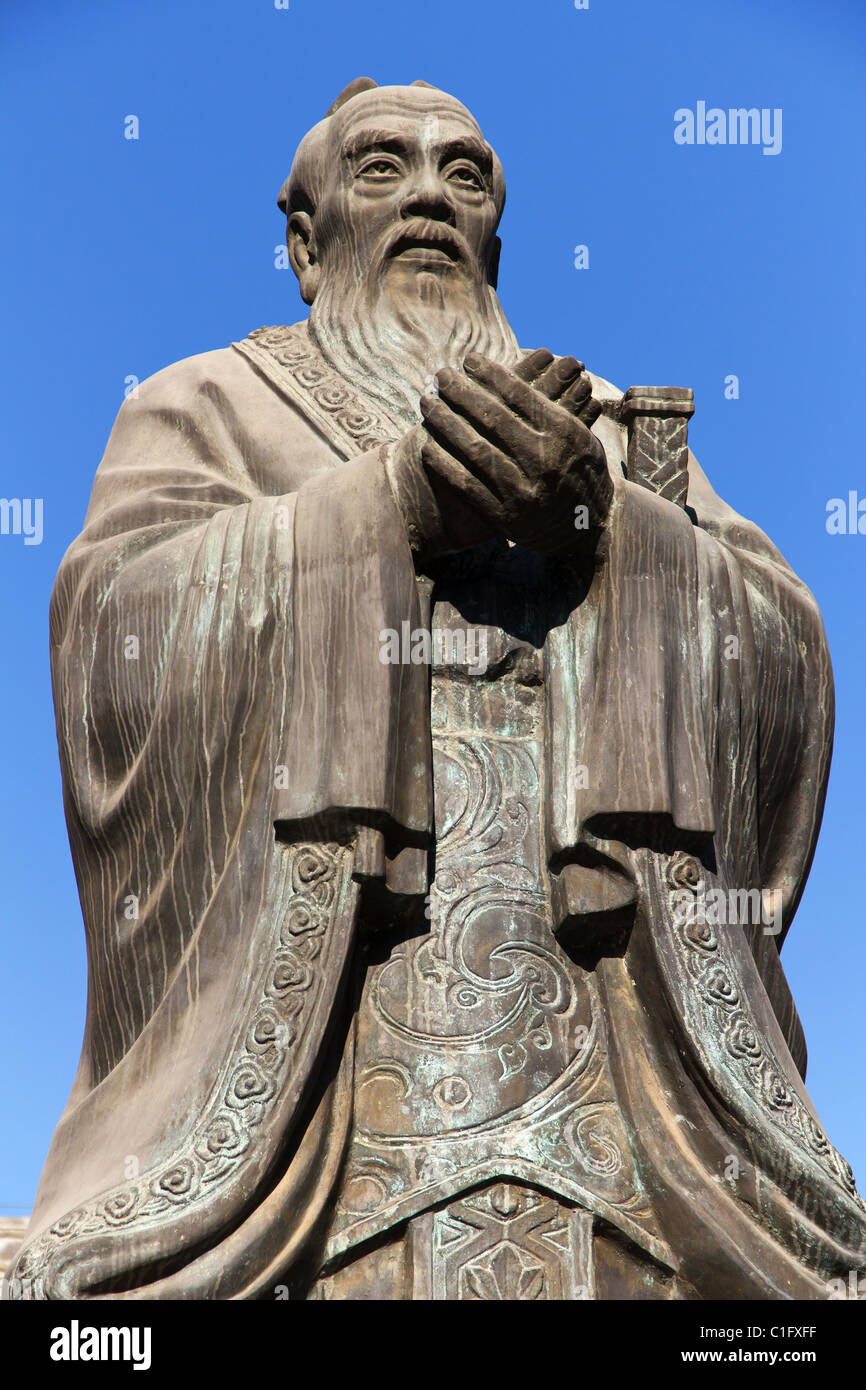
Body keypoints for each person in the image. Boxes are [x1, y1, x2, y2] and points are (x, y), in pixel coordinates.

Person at [10, 78, 865, 1300]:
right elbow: (110, 641)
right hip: (323, 1117)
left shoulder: (614, 437)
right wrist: (386, 511)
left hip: (626, 1113)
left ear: (495, 240)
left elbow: (785, 647)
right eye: (381, 167)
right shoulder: (204, 406)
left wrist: (602, 527)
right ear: (304, 244)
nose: (425, 191)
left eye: (463, 174)